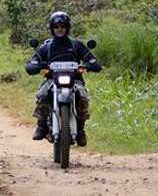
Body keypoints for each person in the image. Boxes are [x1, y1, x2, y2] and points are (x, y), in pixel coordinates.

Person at [25, 11, 102, 147]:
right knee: (42, 94)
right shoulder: (46, 47)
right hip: (52, 80)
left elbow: (91, 58)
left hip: (75, 80)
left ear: (67, 28)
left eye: (63, 26)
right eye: (56, 27)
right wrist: (34, 65)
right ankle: (41, 125)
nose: (59, 29)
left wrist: (92, 63)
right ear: (52, 28)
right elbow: (34, 60)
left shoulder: (76, 44)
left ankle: (80, 129)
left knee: (82, 97)